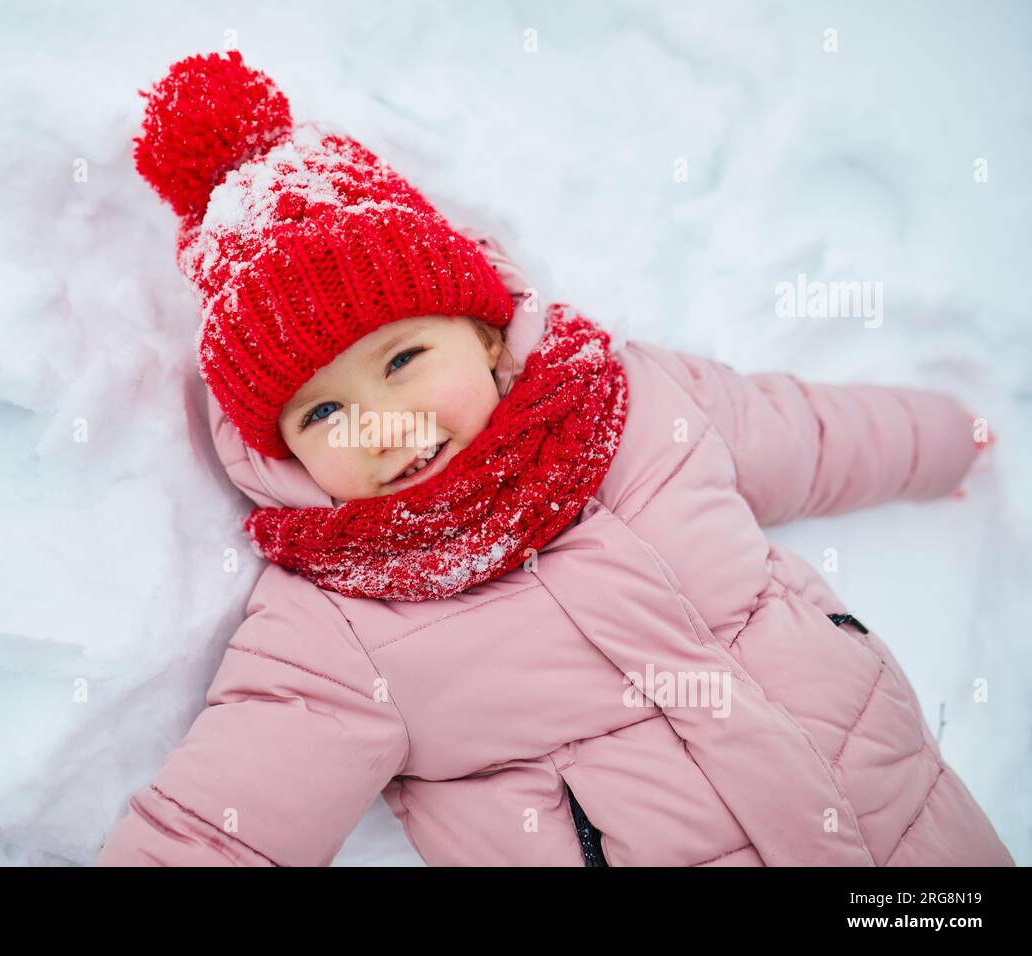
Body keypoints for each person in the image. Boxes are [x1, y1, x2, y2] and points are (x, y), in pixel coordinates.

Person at [96, 50, 1013, 866]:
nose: (380, 423)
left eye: (404, 359)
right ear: (284, 454)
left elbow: (809, 436)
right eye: (325, 410)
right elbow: (220, 828)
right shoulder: (336, 627)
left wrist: (944, 437)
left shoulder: (635, 404)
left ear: (488, 334)